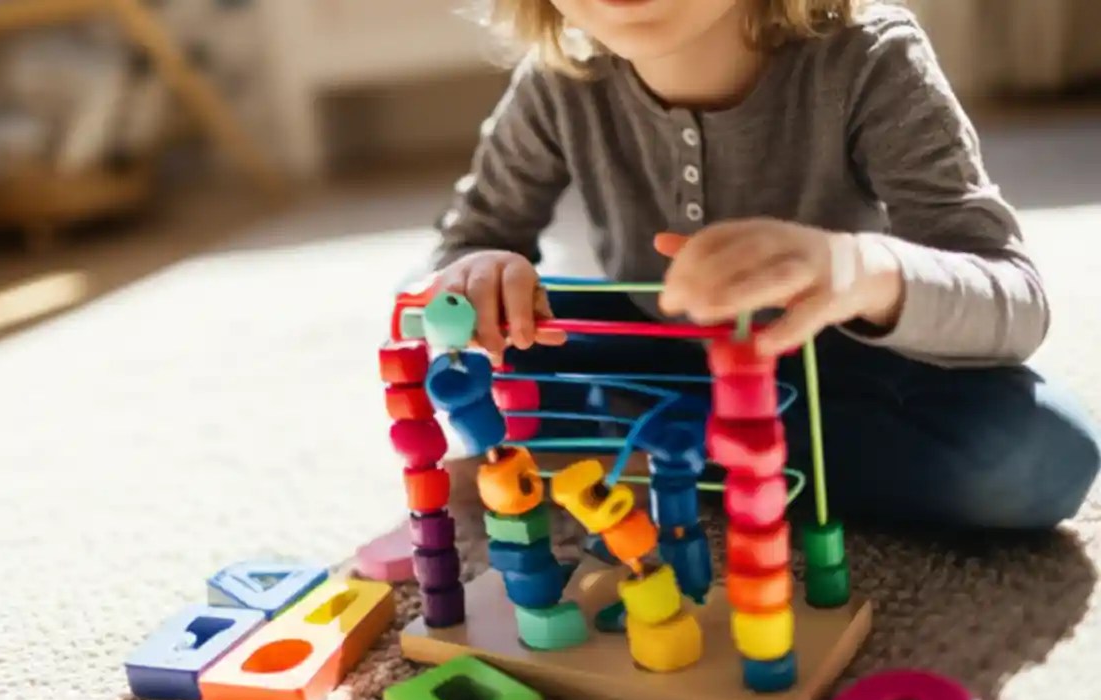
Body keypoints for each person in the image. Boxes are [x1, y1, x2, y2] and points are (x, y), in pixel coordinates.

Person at [425, 0, 1100, 530]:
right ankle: (711, 451)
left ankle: (679, 453)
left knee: (1040, 457)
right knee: (467, 358)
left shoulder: (870, 57)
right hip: (660, 359)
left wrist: (858, 270)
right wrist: (479, 274)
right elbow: (461, 252)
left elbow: (1015, 304)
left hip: (835, 370)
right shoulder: (558, 81)